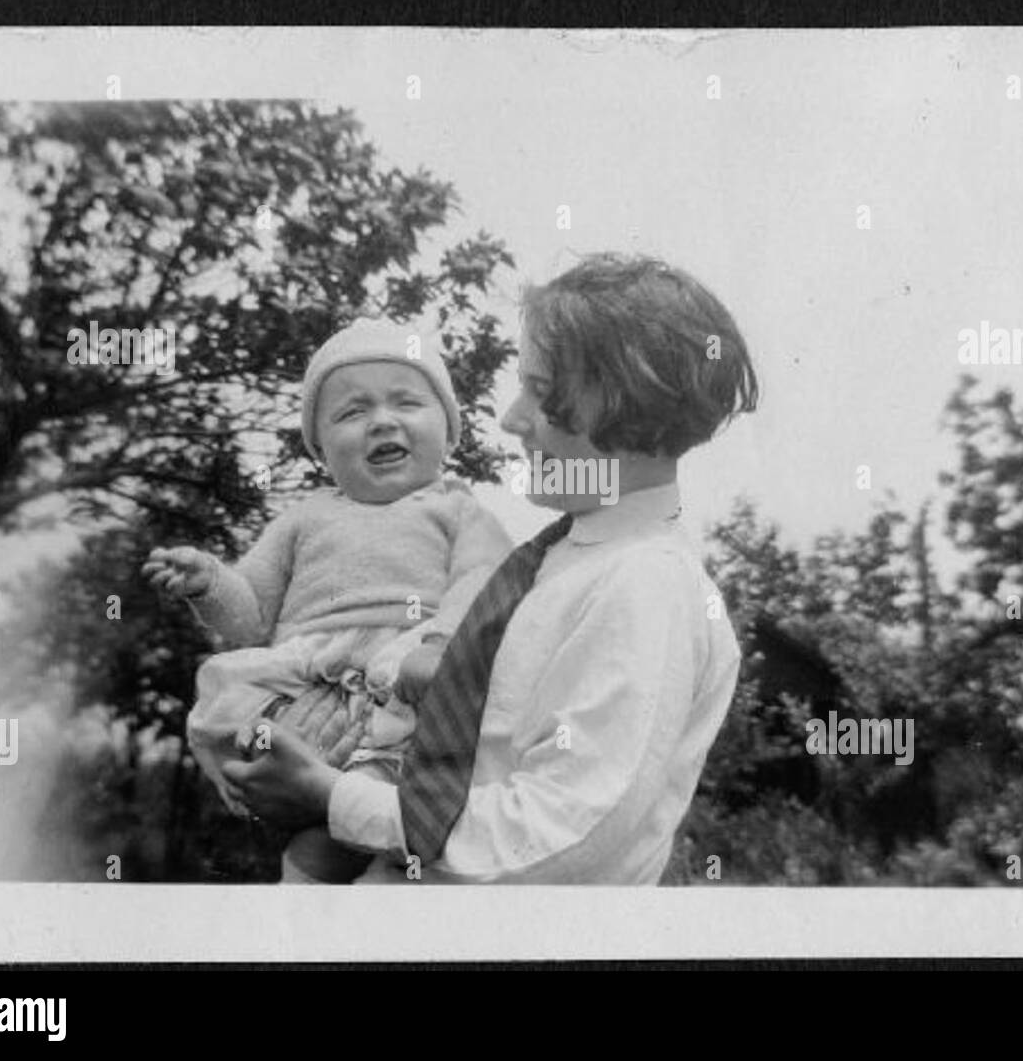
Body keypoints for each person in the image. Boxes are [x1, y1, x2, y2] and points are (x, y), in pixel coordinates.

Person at [222, 254, 758, 884]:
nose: (511, 419)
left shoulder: (647, 585)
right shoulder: (554, 562)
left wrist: (330, 799)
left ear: (624, 396)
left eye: (541, 388)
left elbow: (563, 841)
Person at [143, 319, 512, 882]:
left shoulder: (459, 511)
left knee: (353, 826)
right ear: (321, 450)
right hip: (303, 683)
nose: (382, 421)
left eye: (407, 403)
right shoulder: (303, 519)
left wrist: (439, 643)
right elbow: (249, 619)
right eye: (351, 412)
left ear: (451, 432)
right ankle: (277, 843)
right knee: (242, 720)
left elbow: (481, 583)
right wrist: (209, 582)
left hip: (400, 685)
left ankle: (321, 890)